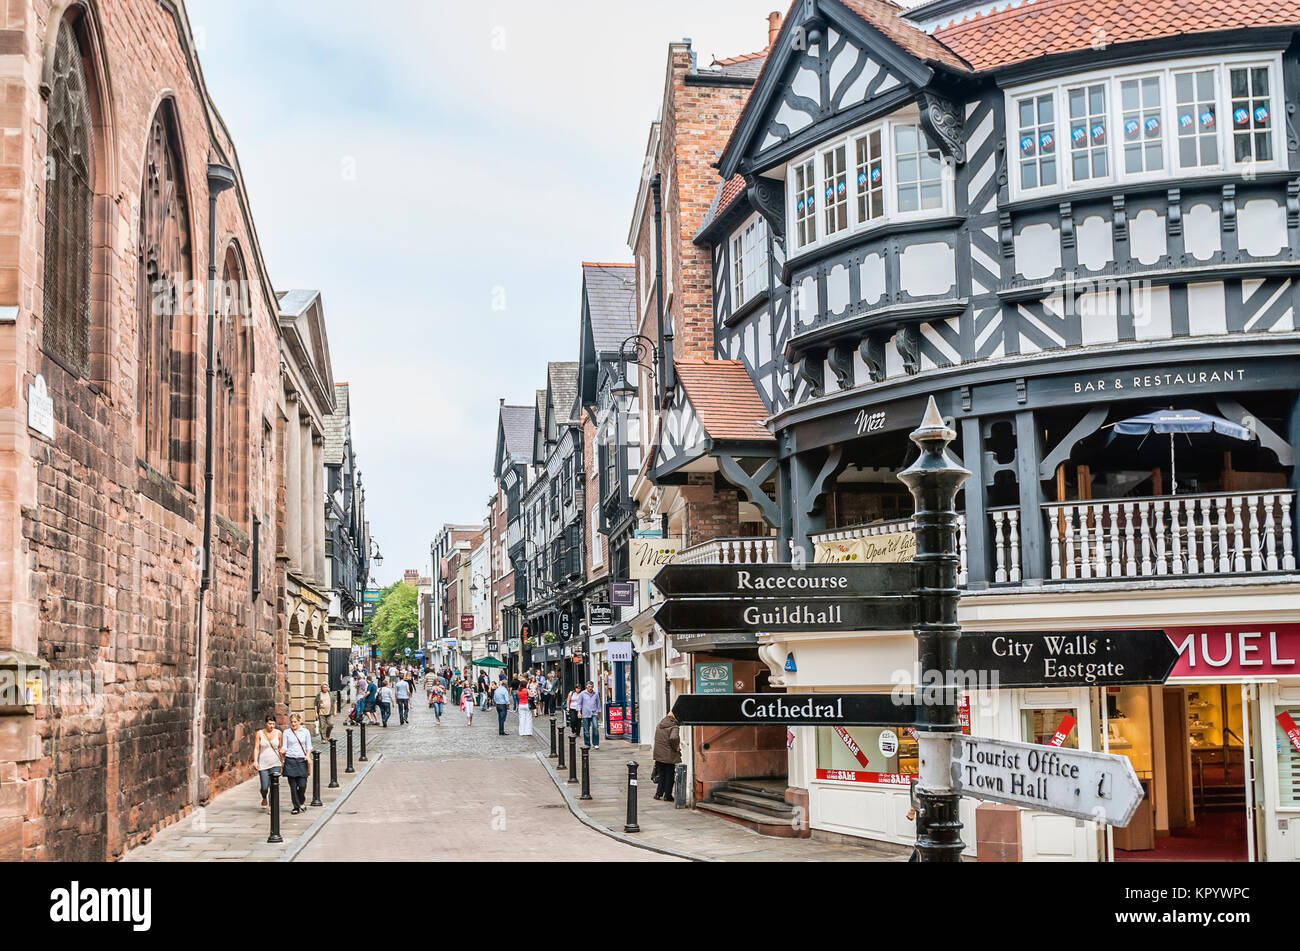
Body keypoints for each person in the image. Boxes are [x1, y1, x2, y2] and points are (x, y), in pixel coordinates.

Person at [282, 713, 312, 815]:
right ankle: (296, 806)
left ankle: (301, 801)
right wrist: (282, 751)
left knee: (302, 785)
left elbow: (309, 746)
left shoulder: (305, 732)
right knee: (293, 786)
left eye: (295, 722)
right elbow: (284, 746)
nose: (293, 724)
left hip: (301, 760)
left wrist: (307, 756)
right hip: (290, 760)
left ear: (299, 721)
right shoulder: (286, 732)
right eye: (291, 722)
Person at [254, 715, 282, 809]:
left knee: (273, 786)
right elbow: (257, 748)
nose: (272, 726)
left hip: (276, 762)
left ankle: (271, 806)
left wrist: (283, 760)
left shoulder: (278, 733)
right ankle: (264, 796)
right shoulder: (260, 733)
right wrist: (255, 761)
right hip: (263, 763)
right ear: (266, 723)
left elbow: (280, 748)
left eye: (273, 724)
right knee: (264, 786)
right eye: (270, 724)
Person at [652, 712, 681, 802]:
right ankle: (667, 795)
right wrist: (676, 747)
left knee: (661, 775)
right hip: (669, 755)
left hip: (659, 754)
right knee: (669, 776)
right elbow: (673, 738)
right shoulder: (674, 726)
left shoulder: (660, 724)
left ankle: (658, 794)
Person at [577, 680, 601, 749]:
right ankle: (587, 744)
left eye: (591, 686)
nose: (590, 688)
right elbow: (579, 704)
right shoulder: (582, 693)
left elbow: (598, 704)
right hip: (585, 713)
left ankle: (596, 743)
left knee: (595, 728)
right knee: (586, 729)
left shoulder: (596, 694)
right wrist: (579, 712)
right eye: (589, 686)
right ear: (586, 686)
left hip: (594, 713)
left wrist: (599, 714)